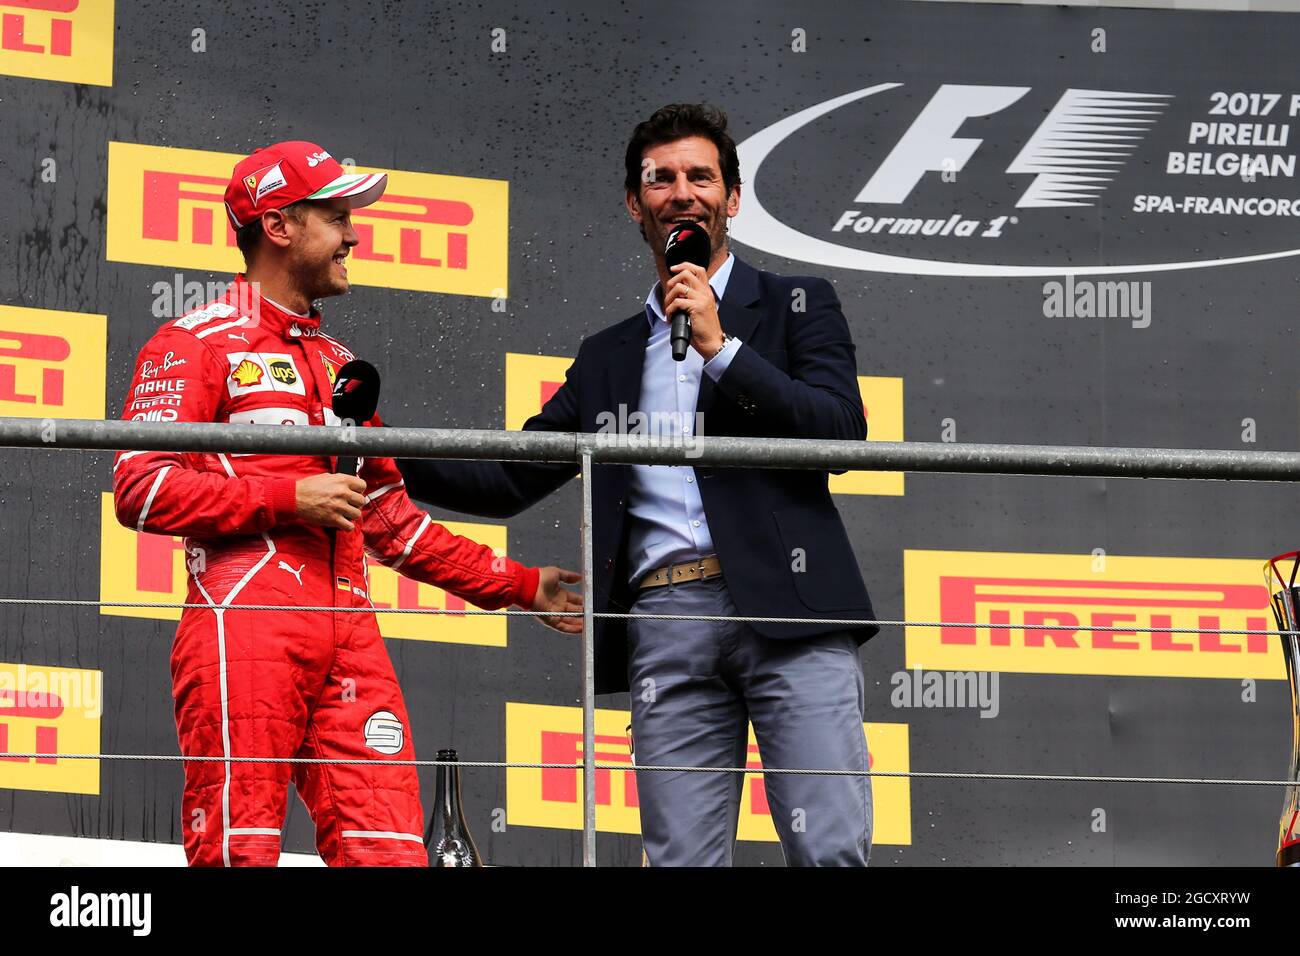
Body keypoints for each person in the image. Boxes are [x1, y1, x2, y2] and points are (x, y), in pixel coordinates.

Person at [396, 105, 878, 866]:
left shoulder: (797, 303)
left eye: (701, 176)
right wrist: (372, 447)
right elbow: (508, 477)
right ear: (635, 204)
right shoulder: (609, 356)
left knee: (830, 851)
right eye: (662, 179)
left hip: (793, 610)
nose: (682, 192)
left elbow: (840, 434)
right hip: (667, 619)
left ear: (734, 197)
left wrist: (723, 350)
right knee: (680, 861)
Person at [112, 140, 583, 867]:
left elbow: (390, 519)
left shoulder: (337, 365)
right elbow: (139, 489)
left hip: (349, 632)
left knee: (393, 854)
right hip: (244, 626)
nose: (353, 235)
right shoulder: (191, 343)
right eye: (335, 217)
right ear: (279, 226)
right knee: (239, 851)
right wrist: (285, 496)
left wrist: (519, 586)